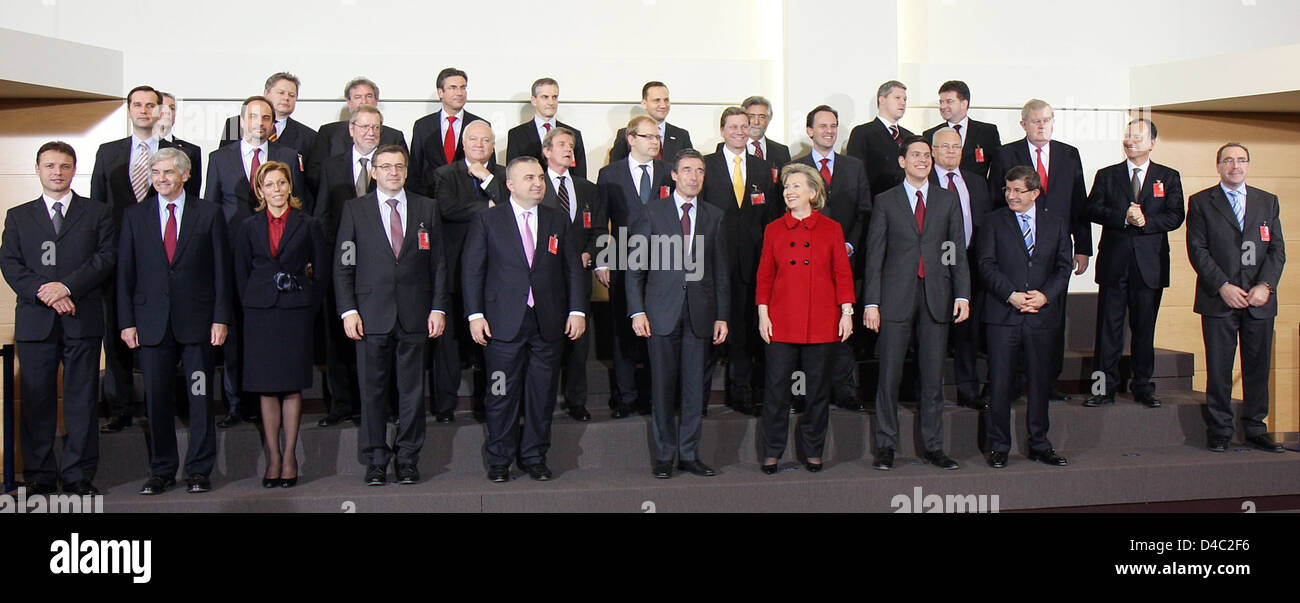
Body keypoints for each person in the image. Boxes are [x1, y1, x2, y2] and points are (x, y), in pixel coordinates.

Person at [1, 141, 116, 496]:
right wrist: (46, 291)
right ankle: (39, 475)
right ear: (37, 169)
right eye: (50, 165)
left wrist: (66, 287)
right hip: (37, 321)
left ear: (73, 170)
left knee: (81, 400)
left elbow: (106, 257)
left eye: (64, 166)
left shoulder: (97, 212)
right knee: (37, 400)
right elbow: (10, 263)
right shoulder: (19, 216)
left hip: (82, 318)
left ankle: (78, 476)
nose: (57, 172)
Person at [462, 157, 587, 483]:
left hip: (548, 325)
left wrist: (577, 310)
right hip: (502, 326)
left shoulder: (557, 220)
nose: (537, 183)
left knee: (542, 394)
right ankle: (500, 459)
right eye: (529, 177)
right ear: (510, 184)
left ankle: (534, 456)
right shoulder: (488, 220)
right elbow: (472, 270)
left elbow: (573, 269)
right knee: (501, 393)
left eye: (540, 177)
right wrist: (475, 315)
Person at [117, 147, 232, 494]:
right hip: (151, 323)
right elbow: (125, 274)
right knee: (157, 399)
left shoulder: (208, 213)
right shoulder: (134, 216)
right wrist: (127, 322)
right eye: (156, 173)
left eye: (168, 173)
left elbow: (221, 272)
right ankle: (162, 471)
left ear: (185, 175)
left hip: (197, 324)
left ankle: (199, 470)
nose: (161, 179)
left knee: (199, 397)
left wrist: (220, 318)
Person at [333, 145, 448, 486]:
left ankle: (408, 459)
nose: (393, 172)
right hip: (370, 315)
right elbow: (344, 264)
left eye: (399, 166)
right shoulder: (355, 209)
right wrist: (348, 309)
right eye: (385, 167)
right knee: (372, 391)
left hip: (416, 313)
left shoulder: (427, 207)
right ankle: (376, 459)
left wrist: (438, 307)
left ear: (407, 171)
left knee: (412, 391)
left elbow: (439, 263)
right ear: (374, 172)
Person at [861, 135, 969, 471]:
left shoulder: (947, 200)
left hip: (937, 297)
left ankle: (934, 447)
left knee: (933, 378)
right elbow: (874, 255)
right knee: (889, 377)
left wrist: (962, 293)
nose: (922, 159)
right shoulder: (886, 201)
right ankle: (886, 447)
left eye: (927, 155)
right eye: (915, 155)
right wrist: (871, 303)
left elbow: (955, 251)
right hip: (895, 299)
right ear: (902, 161)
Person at [90, 85, 193, 433]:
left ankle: (162, 403)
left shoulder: (182, 153)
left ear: (161, 110)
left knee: (166, 331)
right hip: (116, 256)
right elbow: (97, 207)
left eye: (152, 105)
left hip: (163, 259)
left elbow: (190, 214)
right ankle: (120, 406)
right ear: (129, 110)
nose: (145, 110)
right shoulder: (108, 153)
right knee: (116, 328)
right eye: (138, 105)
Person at [204, 95, 309, 428]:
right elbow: (210, 208)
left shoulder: (288, 156)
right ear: (242, 120)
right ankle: (236, 403)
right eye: (254, 117)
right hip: (234, 255)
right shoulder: (219, 158)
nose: (260, 123)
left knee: (271, 335)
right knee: (235, 330)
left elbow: (298, 205)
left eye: (267, 118)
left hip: (277, 262)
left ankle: (275, 394)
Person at [626, 148, 728, 478]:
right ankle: (663, 456)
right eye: (687, 170)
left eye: (699, 171)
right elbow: (633, 269)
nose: (694, 176)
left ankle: (688, 454)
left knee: (694, 390)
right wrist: (637, 311)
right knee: (662, 388)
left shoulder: (715, 215)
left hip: (700, 314)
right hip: (660, 313)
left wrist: (722, 315)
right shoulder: (652, 212)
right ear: (674, 175)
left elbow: (721, 272)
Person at [987, 99, 1092, 402]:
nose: (1042, 125)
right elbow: (998, 199)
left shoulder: (1069, 154)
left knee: (1052, 313)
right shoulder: (1006, 153)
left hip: (1054, 246)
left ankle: (1048, 382)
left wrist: (1082, 246)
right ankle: (1016, 382)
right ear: (1023, 124)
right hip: (1015, 248)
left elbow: (1078, 203)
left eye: (1047, 120)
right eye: (1036, 121)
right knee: (1016, 315)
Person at [234, 161, 330, 487]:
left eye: (281, 183)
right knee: (266, 387)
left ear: (290, 186)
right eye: (270, 185)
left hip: (295, 312)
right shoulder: (248, 226)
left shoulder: (309, 223)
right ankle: (272, 457)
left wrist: (308, 304)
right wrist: (252, 300)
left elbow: (322, 270)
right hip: (260, 313)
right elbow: (241, 271)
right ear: (260, 191)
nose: (277, 190)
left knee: (291, 385)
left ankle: (289, 457)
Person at [1186, 143, 1286, 454]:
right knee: (1219, 368)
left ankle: (1256, 427)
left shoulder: (1267, 202)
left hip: (1259, 301)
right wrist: (1223, 286)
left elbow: (1276, 250)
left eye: (1241, 160)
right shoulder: (1201, 202)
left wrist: (1265, 286)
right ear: (1218, 166)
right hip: (1219, 300)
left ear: (1249, 165)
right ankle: (1221, 430)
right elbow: (1198, 251)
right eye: (1228, 160)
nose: (1235, 166)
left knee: (1257, 366)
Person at [756, 163, 855, 474]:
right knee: (775, 390)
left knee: (817, 392)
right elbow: (765, 276)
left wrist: (847, 311)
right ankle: (772, 451)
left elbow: (842, 273)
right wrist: (763, 313)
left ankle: (813, 450)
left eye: (797, 186)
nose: (789, 191)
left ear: (813, 192)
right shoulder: (773, 229)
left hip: (822, 321)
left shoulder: (831, 228)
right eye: (787, 186)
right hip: (781, 320)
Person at [1084, 118, 1184, 408]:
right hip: (1115, 262)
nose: (1131, 141)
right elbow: (1091, 208)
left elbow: (1177, 215)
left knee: (1144, 328)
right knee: (1108, 329)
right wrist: (1122, 217)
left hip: (1150, 265)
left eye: (1138, 137)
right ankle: (1103, 389)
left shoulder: (1168, 176)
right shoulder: (1107, 175)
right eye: (1127, 136)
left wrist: (1147, 221)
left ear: (1152, 142)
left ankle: (1143, 387)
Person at [979, 166, 1072, 468]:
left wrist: (1044, 296)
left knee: (1039, 383)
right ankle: (998, 446)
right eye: (1008, 190)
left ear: (1035, 192)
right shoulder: (993, 222)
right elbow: (986, 264)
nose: (1011, 195)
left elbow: (1062, 267)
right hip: (1003, 315)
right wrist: (1012, 295)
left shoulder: (1056, 224)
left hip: (1041, 316)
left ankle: (1039, 444)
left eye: (1018, 190)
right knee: (1001, 383)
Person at [791, 104, 872, 412]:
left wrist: (849, 245)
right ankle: (801, 393)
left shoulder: (854, 167)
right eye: (822, 126)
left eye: (833, 125)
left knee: (842, 327)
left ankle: (845, 390)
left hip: (843, 262)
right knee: (801, 328)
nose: (829, 131)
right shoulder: (795, 168)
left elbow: (864, 212)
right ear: (810, 131)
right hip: (803, 264)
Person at [702, 107, 780, 416]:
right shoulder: (706, 166)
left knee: (746, 334)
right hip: (713, 263)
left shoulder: (763, 169)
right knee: (709, 330)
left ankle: (742, 394)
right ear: (722, 130)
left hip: (752, 263)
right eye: (733, 126)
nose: (739, 131)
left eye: (744, 126)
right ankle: (700, 397)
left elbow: (771, 218)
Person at [596, 115, 674, 418]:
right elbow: (601, 221)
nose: (655, 142)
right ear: (631, 139)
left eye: (657, 137)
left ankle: (656, 397)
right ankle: (625, 396)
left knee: (659, 331)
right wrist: (602, 258)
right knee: (623, 332)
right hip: (623, 260)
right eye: (649, 136)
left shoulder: (670, 173)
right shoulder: (609, 174)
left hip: (663, 262)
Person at [431, 119, 507, 423]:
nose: (479, 145)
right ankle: (445, 406)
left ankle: (492, 403)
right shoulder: (444, 174)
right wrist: (486, 207)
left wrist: (487, 179)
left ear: (493, 145)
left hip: (496, 274)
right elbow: (446, 209)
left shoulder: (502, 175)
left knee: (492, 343)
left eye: (486, 141)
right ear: (463, 144)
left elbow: (512, 203)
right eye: (473, 140)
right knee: (448, 346)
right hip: (453, 269)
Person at [312, 104, 383, 426]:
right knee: (338, 337)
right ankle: (341, 404)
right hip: (342, 262)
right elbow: (323, 215)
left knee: (377, 337)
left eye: (376, 127)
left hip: (381, 267)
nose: (371, 132)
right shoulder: (332, 166)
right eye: (364, 127)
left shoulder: (389, 165)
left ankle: (381, 405)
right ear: (351, 130)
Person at [540, 127, 605, 421]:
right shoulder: (536, 185)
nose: (569, 149)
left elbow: (600, 230)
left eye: (572, 145)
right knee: (550, 340)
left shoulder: (587, 187)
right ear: (547, 151)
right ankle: (543, 399)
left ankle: (577, 401)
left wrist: (591, 253)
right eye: (562, 144)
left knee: (580, 344)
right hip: (546, 278)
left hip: (580, 274)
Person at [928, 126, 993, 410]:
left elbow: (986, 224)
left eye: (956, 146)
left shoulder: (977, 182)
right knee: (932, 331)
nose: (952, 151)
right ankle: (929, 393)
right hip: (932, 265)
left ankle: (968, 391)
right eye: (945, 147)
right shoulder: (922, 181)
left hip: (969, 264)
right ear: (932, 151)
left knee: (967, 333)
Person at [306, 77, 407, 193]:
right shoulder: (328, 133)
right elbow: (315, 174)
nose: (364, 101)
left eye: (369, 96)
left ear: (376, 100)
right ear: (348, 102)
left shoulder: (394, 136)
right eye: (358, 97)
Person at [409, 68, 487, 197]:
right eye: (453, 88)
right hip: (431, 200)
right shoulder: (422, 126)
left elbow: (488, 167)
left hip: (469, 201)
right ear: (440, 92)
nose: (459, 93)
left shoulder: (480, 125)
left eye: (463, 88)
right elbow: (415, 170)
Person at [220, 72, 317, 164]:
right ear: (266, 93)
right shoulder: (234, 125)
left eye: (292, 95)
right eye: (281, 93)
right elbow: (222, 162)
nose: (286, 98)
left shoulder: (308, 137)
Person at [507, 77, 589, 179]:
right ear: (534, 100)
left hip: (563, 192)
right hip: (531, 192)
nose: (551, 102)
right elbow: (513, 173)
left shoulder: (574, 134)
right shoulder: (517, 135)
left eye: (554, 97)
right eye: (545, 97)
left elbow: (580, 175)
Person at [922, 80, 1001, 178]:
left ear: (964, 104)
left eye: (949, 101)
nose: (943, 106)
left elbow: (998, 168)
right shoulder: (930, 135)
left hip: (976, 191)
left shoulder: (987, 132)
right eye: (941, 102)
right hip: (941, 191)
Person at [846, 80, 913, 196]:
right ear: (882, 100)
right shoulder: (862, 133)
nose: (902, 103)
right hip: (875, 202)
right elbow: (856, 174)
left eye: (904, 99)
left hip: (907, 203)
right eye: (897, 98)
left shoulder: (910, 136)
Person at [609, 81, 693, 162]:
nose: (663, 105)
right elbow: (614, 170)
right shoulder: (626, 135)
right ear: (644, 103)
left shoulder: (681, 136)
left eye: (666, 100)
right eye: (657, 100)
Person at [714, 96, 791, 170]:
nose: (756, 122)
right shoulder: (725, 148)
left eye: (762, 117)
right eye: (751, 116)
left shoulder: (782, 151)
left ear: (769, 119)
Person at [153, 92, 204, 194]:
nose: (167, 112)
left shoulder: (191, 151)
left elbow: (193, 192)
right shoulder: (142, 147)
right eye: (162, 108)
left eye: (171, 108)